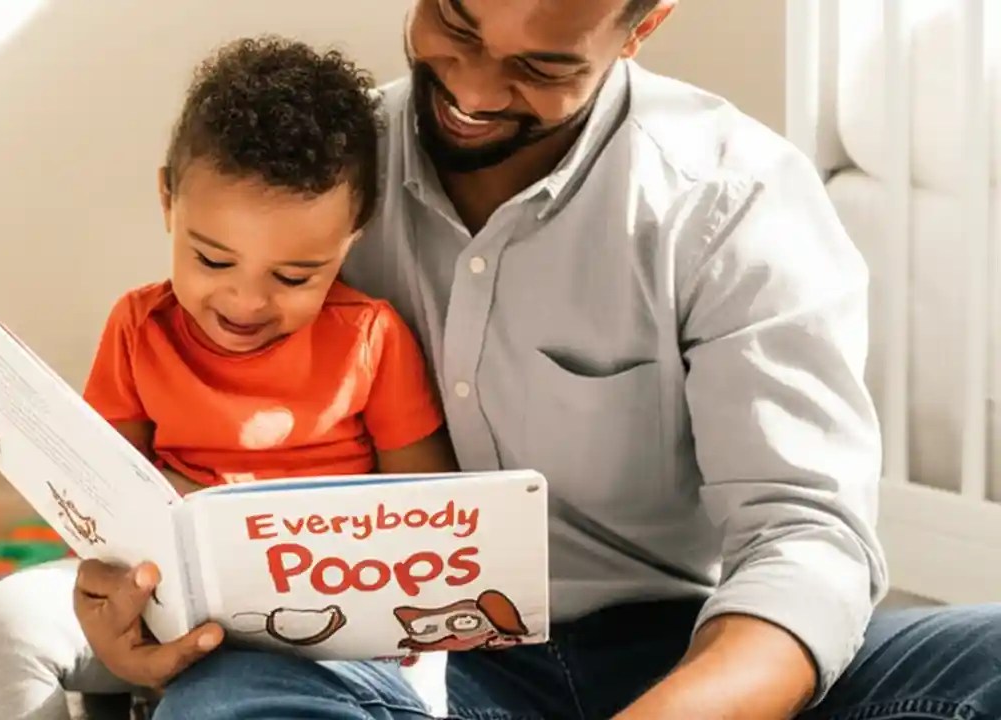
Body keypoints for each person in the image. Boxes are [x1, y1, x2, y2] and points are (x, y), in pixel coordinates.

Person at [70, 1, 1001, 719]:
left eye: (542, 63)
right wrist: (124, 612)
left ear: (641, 28)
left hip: (684, 652)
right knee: (236, 704)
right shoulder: (318, 179)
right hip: (407, 667)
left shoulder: (731, 200)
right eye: (454, 23)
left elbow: (806, 539)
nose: (472, 89)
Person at [0, 36, 460, 719]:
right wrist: (124, 588)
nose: (246, 303)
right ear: (168, 201)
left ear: (353, 237)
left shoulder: (369, 338)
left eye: (293, 276)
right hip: (158, 596)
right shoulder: (139, 327)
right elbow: (103, 493)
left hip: (314, 623)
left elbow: (427, 512)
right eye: (212, 260)